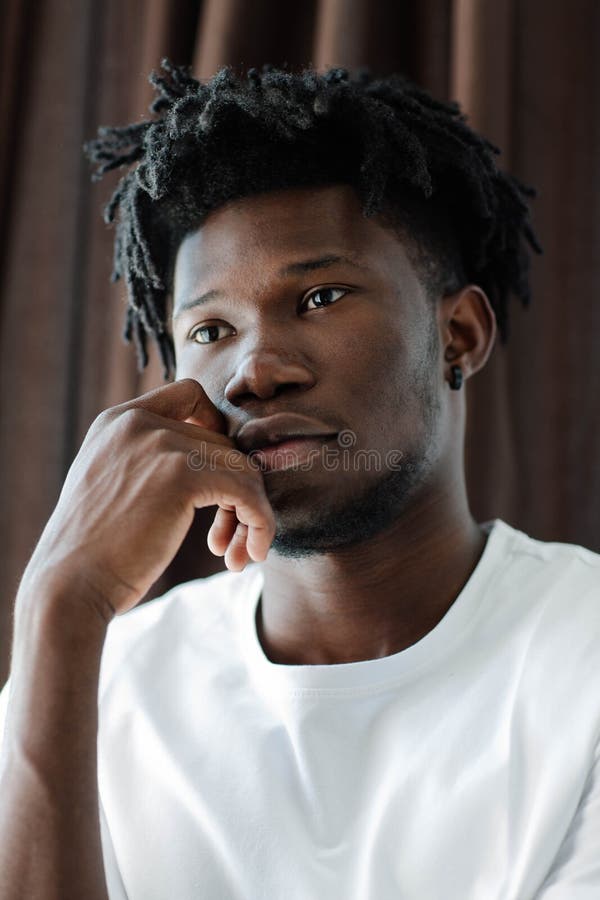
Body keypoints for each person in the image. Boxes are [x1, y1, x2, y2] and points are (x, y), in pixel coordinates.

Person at [0, 59, 598, 900]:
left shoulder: (584, 653)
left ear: (459, 334)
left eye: (319, 297)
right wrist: (57, 607)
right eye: (210, 327)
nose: (254, 372)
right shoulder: (104, 681)